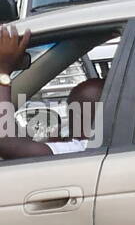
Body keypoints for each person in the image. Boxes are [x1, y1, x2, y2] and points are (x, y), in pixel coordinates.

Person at [0, 26, 104, 159]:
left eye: (77, 114)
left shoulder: (86, 150)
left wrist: (2, 71)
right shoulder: (115, 147)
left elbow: (8, 144)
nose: (70, 128)